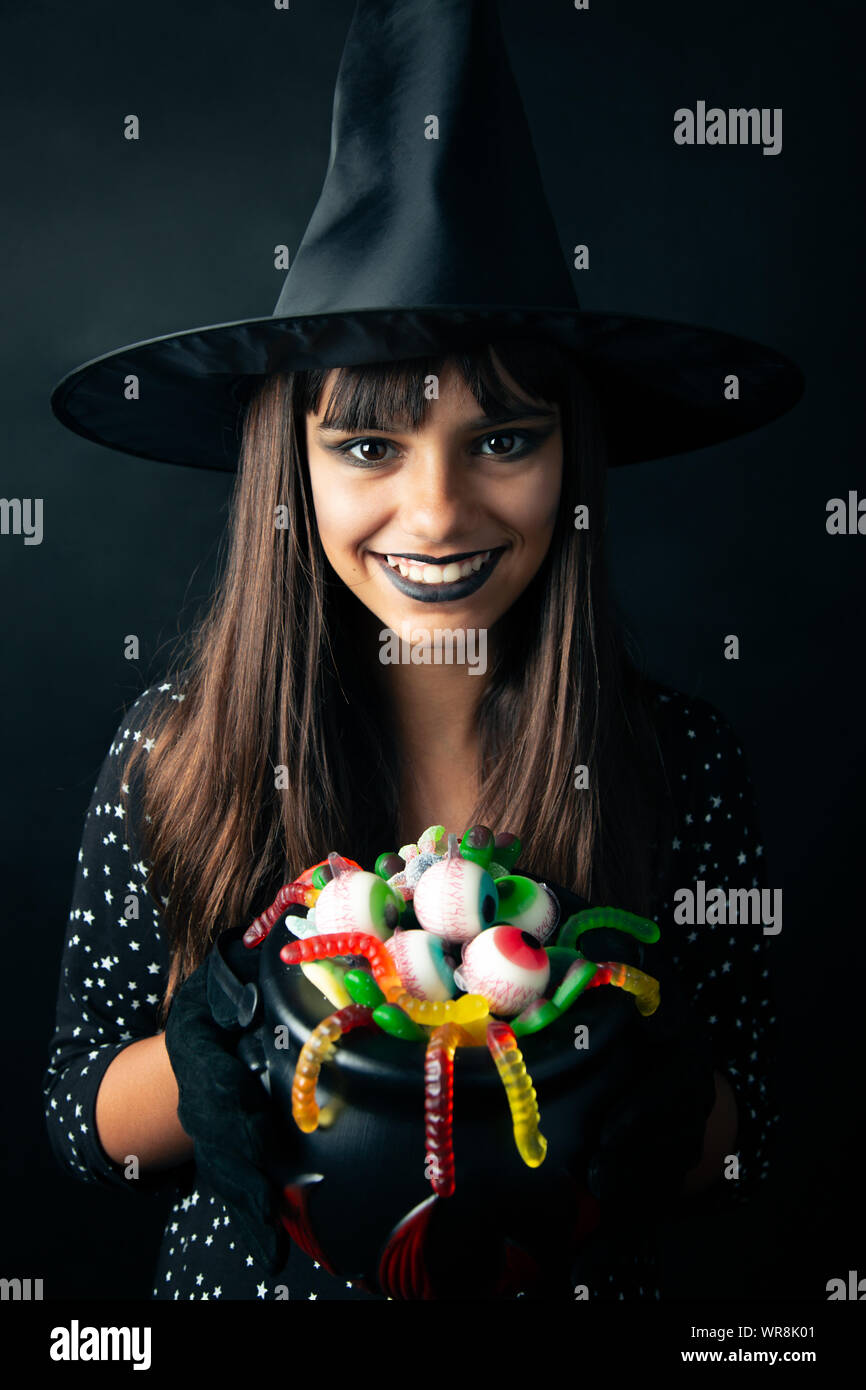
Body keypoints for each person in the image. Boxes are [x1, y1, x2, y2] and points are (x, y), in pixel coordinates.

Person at [43, 0, 796, 1301]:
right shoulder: (174, 748)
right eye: (367, 446)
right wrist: (226, 1035)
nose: (438, 513)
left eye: (503, 440)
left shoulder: (678, 759)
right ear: (293, 464)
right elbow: (81, 1126)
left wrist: (657, 1080)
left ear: (572, 460)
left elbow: (754, 1140)